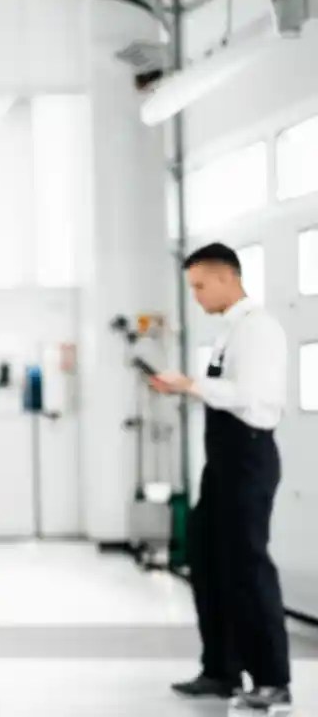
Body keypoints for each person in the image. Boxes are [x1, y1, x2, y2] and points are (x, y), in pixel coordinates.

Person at [149, 242, 292, 713]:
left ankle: (273, 681)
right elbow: (227, 394)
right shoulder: (231, 330)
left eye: (200, 286)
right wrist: (187, 388)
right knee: (207, 560)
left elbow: (255, 398)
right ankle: (221, 671)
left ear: (228, 277)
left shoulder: (259, 330)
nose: (196, 296)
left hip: (248, 458)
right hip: (223, 463)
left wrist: (191, 384)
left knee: (248, 568)